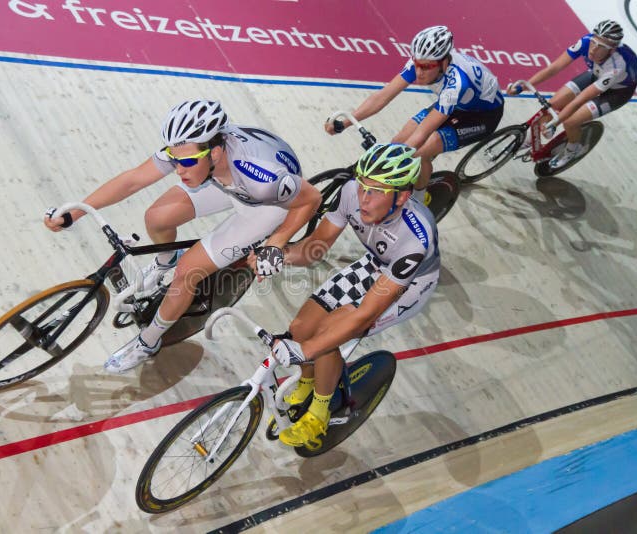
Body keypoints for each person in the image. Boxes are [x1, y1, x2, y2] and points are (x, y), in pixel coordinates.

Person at [45, 100, 321, 373]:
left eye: (186, 162)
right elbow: (134, 180)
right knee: (156, 217)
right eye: (174, 159)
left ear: (214, 153)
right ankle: (166, 261)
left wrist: (276, 243)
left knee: (187, 272)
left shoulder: (264, 180)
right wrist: (74, 213)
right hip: (222, 180)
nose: (178, 170)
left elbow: (311, 200)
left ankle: (148, 341)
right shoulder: (191, 147)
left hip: (265, 206)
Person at [270, 143, 440, 448]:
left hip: (408, 287)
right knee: (300, 329)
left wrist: (306, 351)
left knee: (328, 335)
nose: (363, 198)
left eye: (375, 191)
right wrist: (281, 256)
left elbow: (365, 314)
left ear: (401, 196)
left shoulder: (415, 236)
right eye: (362, 186)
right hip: (374, 265)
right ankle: (308, 383)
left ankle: (319, 413)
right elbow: (317, 246)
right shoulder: (350, 191)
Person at [325, 25, 504, 205]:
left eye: (426, 67)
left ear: (443, 63)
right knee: (398, 141)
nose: (419, 72)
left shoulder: (457, 83)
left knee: (420, 150)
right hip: (455, 106)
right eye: (417, 64)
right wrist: (346, 122)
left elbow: (422, 134)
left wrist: (392, 159)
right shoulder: (421, 62)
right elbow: (382, 97)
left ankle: (419, 200)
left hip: (483, 116)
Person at [507, 20, 637, 169]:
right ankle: (533, 139)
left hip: (616, 93)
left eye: (601, 46)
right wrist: (523, 86)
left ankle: (572, 150)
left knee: (570, 121)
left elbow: (580, 100)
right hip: (596, 75)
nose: (594, 49)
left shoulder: (617, 66)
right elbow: (554, 68)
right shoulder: (585, 42)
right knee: (553, 104)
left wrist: (555, 123)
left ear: (612, 50)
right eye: (594, 42)